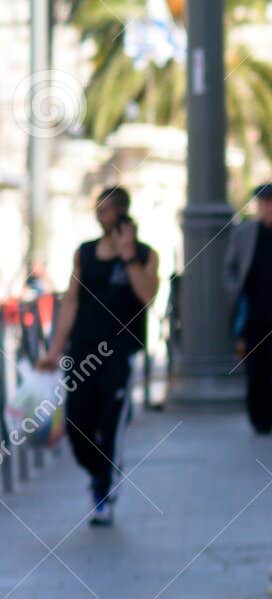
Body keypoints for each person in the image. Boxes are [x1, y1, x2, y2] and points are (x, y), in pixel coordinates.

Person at [36, 185, 160, 526]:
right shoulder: (85, 253)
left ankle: (103, 490)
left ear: (121, 213)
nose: (99, 216)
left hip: (120, 354)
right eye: (97, 209)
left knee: (110, 423)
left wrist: (128, 254)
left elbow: (147, 294)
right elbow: (71, 302)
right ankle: (100, 470)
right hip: (83, 351)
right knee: (76, 425)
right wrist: (55, 350)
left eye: (105, 210)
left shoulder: (145, 254)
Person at [223, 183, 272, 434]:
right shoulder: (245, 232)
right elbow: (230, 267)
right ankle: (260, 418)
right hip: (253, 312)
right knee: (256, 368)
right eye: (264, 203)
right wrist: (235, 291)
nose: (269, 207)